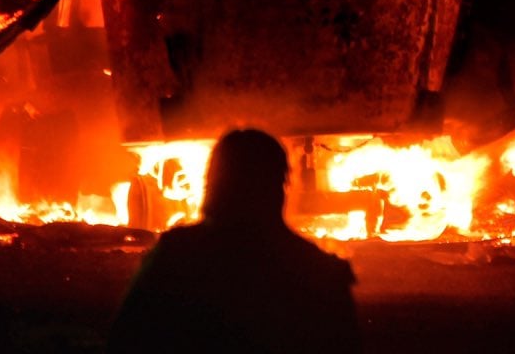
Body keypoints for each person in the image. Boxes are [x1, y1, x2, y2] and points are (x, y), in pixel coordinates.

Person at [110, 129, 359, 353]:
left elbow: (126, 336)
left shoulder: (176, 255)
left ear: (213, 184)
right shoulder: (318, 270)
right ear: (281, 187)